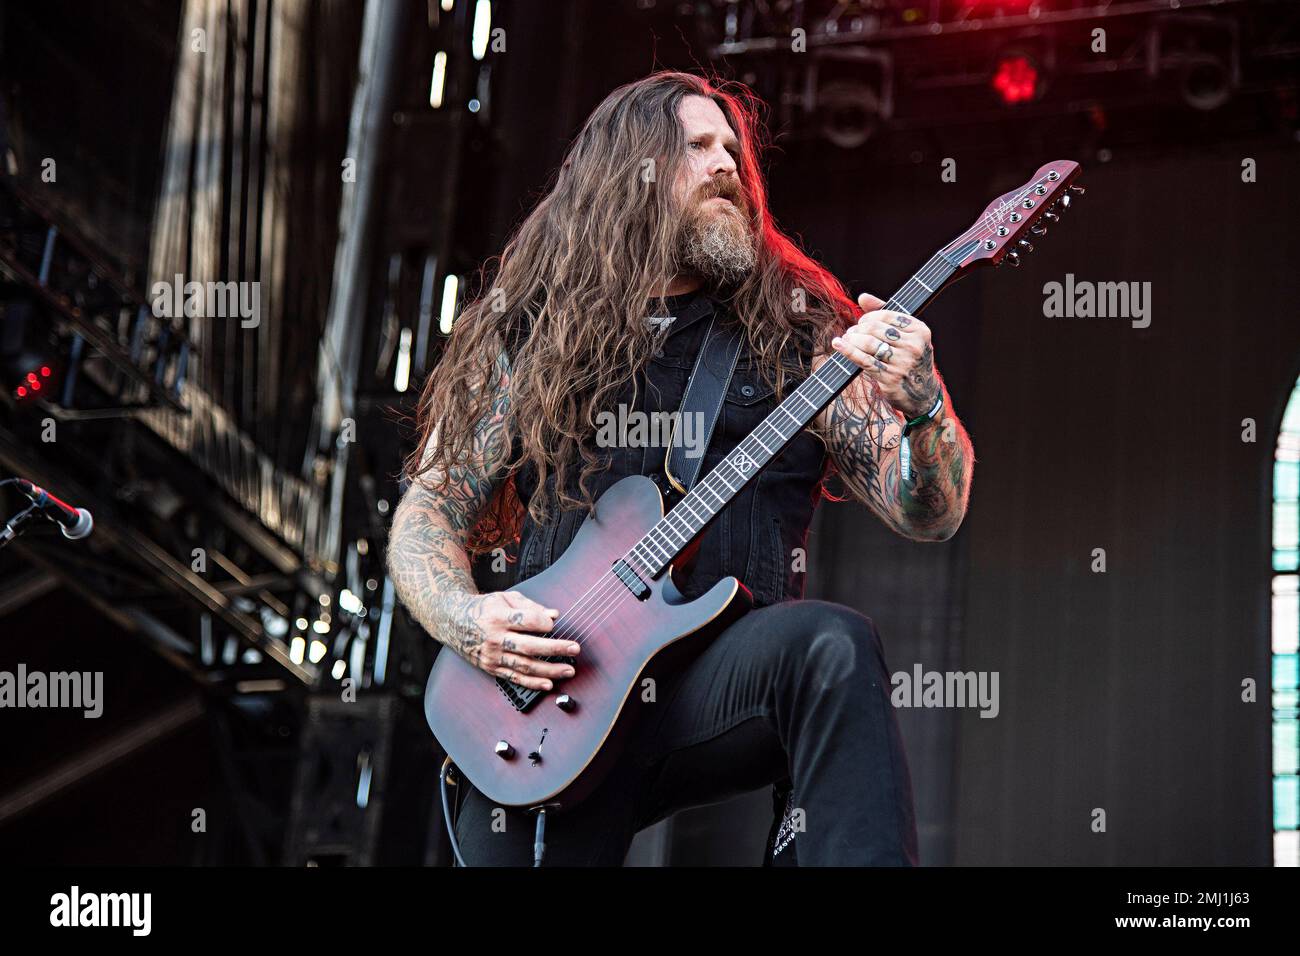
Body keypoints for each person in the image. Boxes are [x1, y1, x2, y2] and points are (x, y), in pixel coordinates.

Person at [386, 71, 974, 866]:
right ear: (626, 171)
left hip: (713, 684)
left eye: (733, 148)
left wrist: (925, 405)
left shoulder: (798, 333)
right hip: (552, 698)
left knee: (830, 647)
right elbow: (429, 513)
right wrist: (468, 623)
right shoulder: (531, 331)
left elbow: (928, 511)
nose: (726, 162)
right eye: (697, 147)